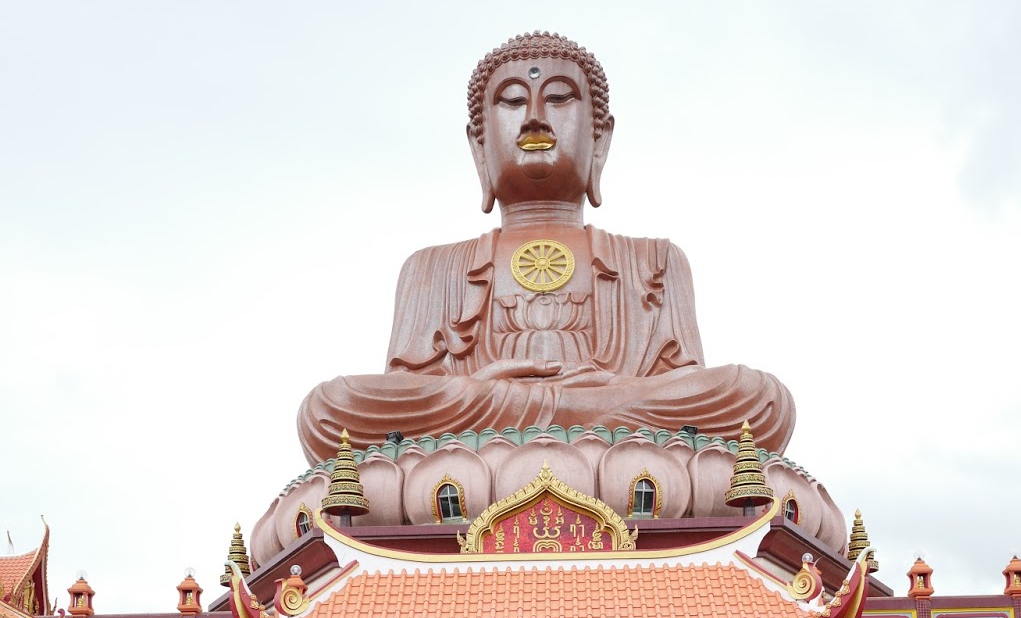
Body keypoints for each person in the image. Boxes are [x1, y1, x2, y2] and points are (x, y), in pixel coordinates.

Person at [296, 31, 795, 464]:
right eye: (513, 102)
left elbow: (686, 392)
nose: (535, 119)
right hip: (538, 450)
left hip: (516, 455)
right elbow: (408, 399)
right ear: (478, 143)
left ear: (599, 139)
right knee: (328, 407)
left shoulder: (655, 260)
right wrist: (480, 391)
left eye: (558, 98)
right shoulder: (431, 268)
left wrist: (601, 395)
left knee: (755, 397)